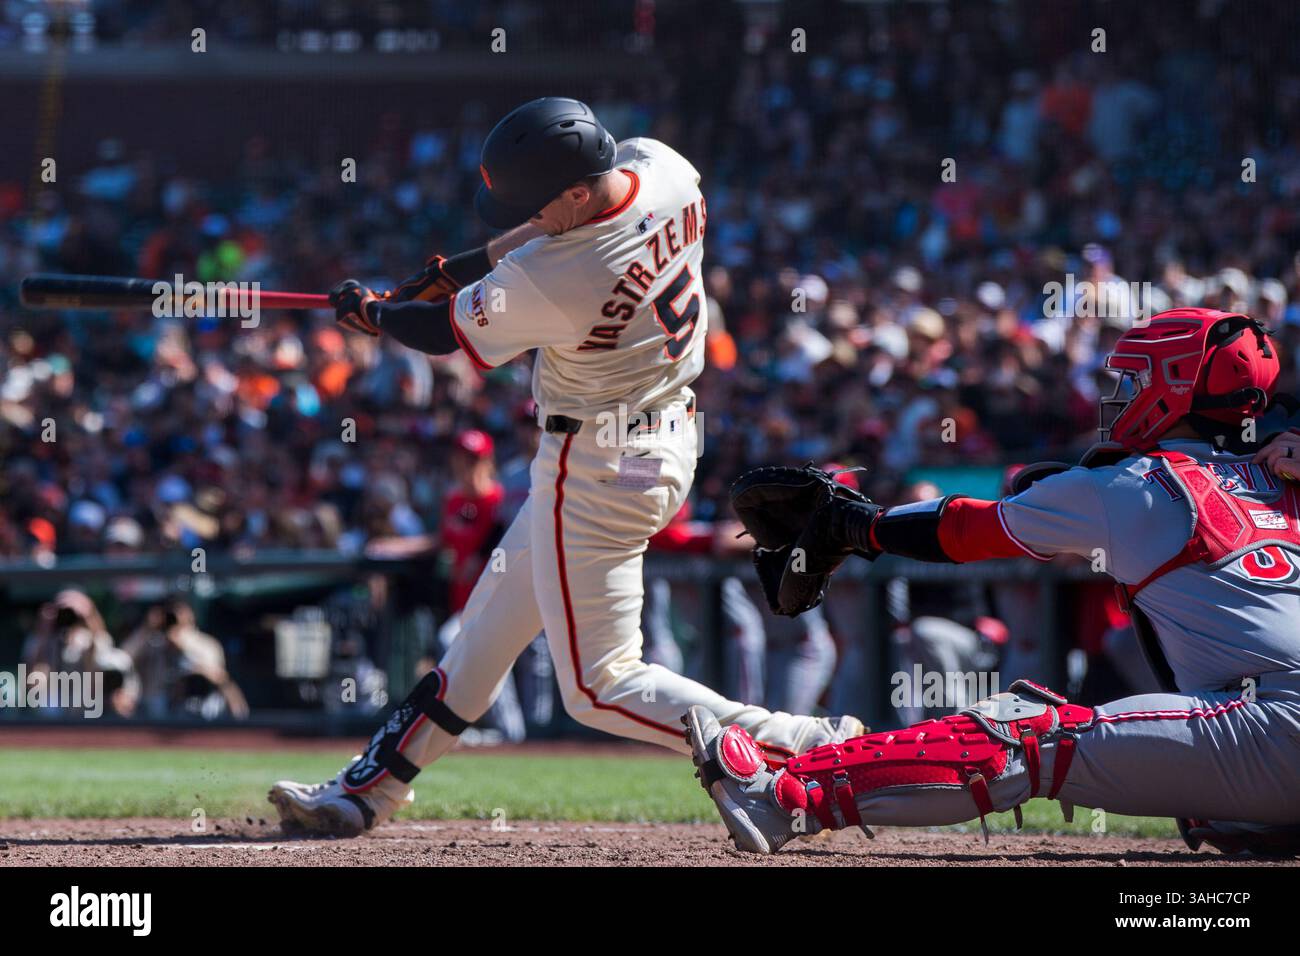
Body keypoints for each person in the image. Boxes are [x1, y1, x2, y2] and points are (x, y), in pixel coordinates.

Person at [269, 97, 861, 836]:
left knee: (599, 685)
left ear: (577, 191)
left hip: (596, 462)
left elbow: (444, 334)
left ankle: (810, 746)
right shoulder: (663, 166)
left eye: (537, 203)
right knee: (483, 637)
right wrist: (457, 269)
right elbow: (542, 235)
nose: (524, 217)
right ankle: (368, 791)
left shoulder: (561, 272)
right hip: (664, 435)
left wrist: (375, 314)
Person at [687, 307, 1300, 857]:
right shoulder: (1284, 475)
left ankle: (782, 795)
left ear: (1174, 387)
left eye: (1133, 381)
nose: (1118, 397)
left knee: (1024, 731)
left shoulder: (1137, 485)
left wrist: (859, 527)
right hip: (1269, 725)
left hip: (1271, 724)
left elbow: (965, 530)